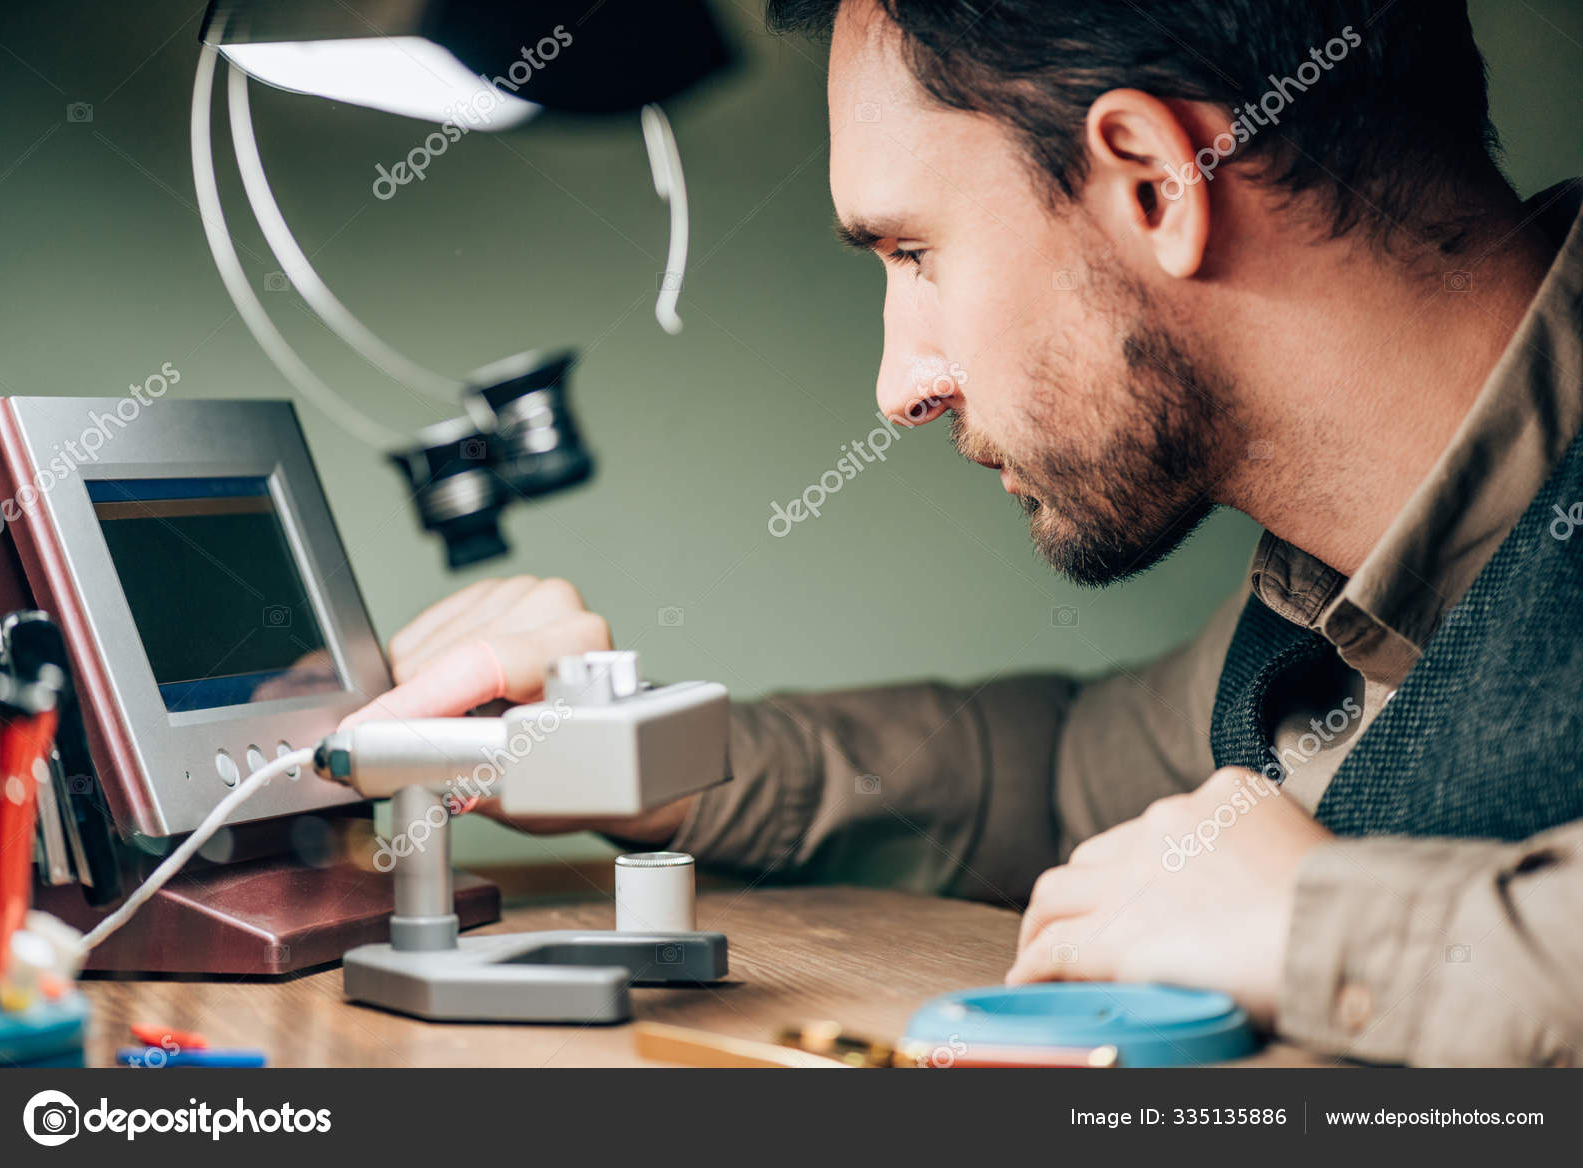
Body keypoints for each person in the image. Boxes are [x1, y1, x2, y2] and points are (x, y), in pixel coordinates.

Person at [352, 0, 1583, 1066]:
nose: (900, 388)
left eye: (915, 250)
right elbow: (1057, 770)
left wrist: (1320, 923)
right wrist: (629, 759)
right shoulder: (1331, 593)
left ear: (1157, 183)